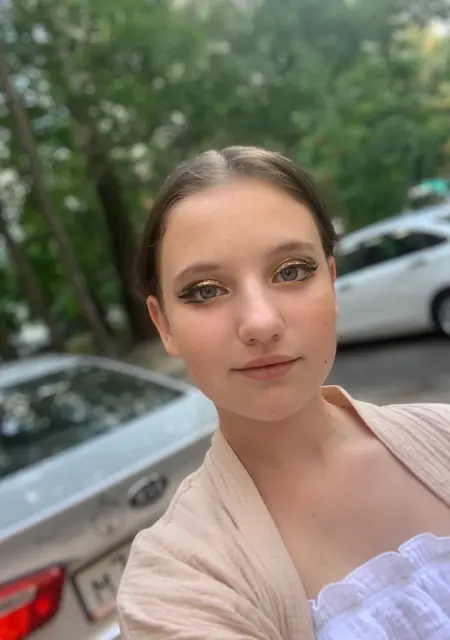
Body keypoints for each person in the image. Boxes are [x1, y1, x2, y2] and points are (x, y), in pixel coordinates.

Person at [117, 146, 450, 639]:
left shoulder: (443, 433)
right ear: (163, 324)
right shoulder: (175, 582)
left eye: (291, 271)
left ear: (331, 282)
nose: (260, 323)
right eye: (205, 290)